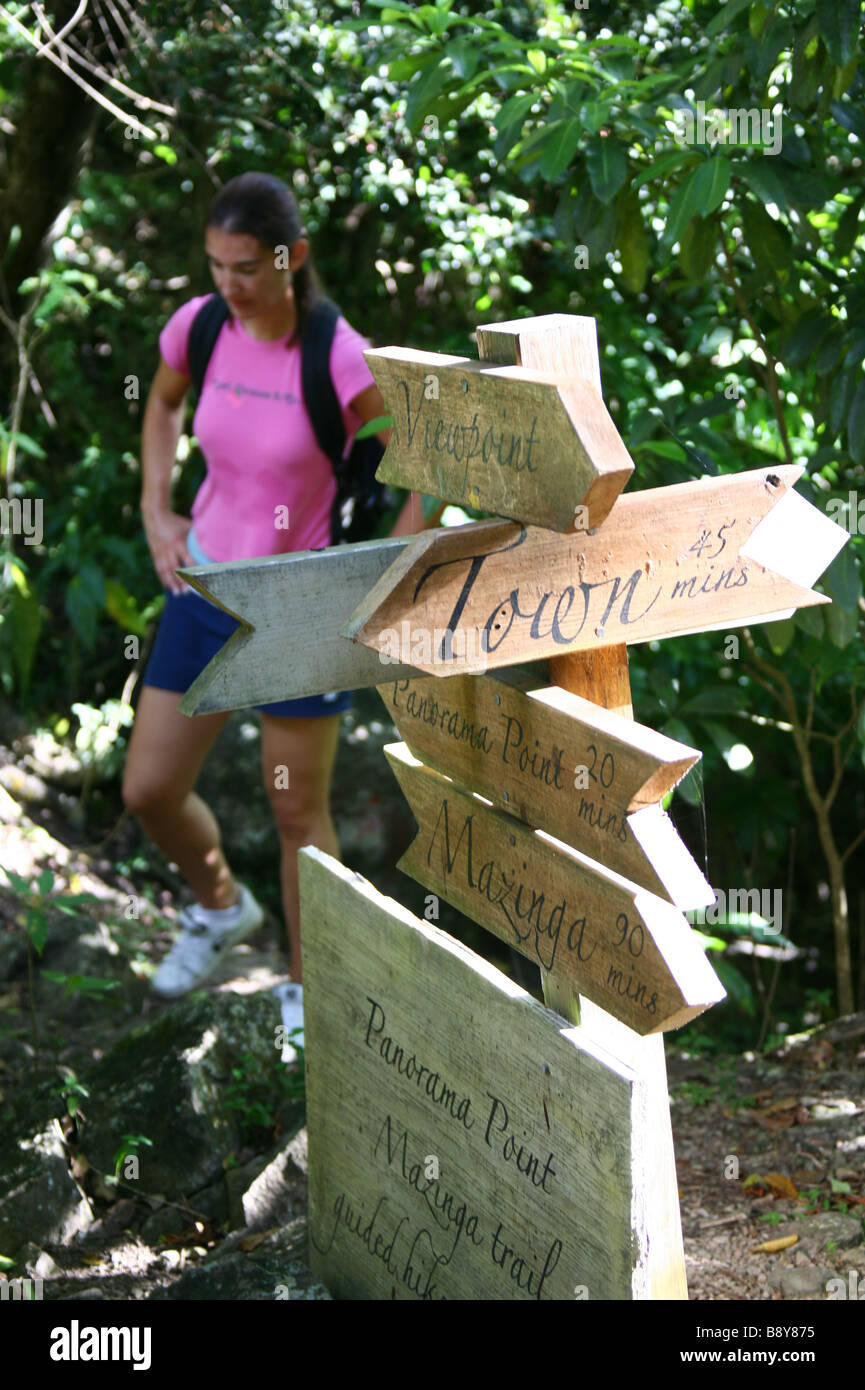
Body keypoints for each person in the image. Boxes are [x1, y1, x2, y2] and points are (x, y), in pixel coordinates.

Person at [122, 172, 427, 1059]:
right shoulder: (203, 326)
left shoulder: (337, 355)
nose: (230, 284)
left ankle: (307, 990)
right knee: (148, 789)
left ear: (292, 257)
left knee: (297, 814)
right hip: (203, 587)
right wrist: (158, 509)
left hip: (296, 611)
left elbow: (419, 463)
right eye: (217, 265)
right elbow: (163, 402)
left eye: (247, 267)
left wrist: (378, 585)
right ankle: (220, 907)